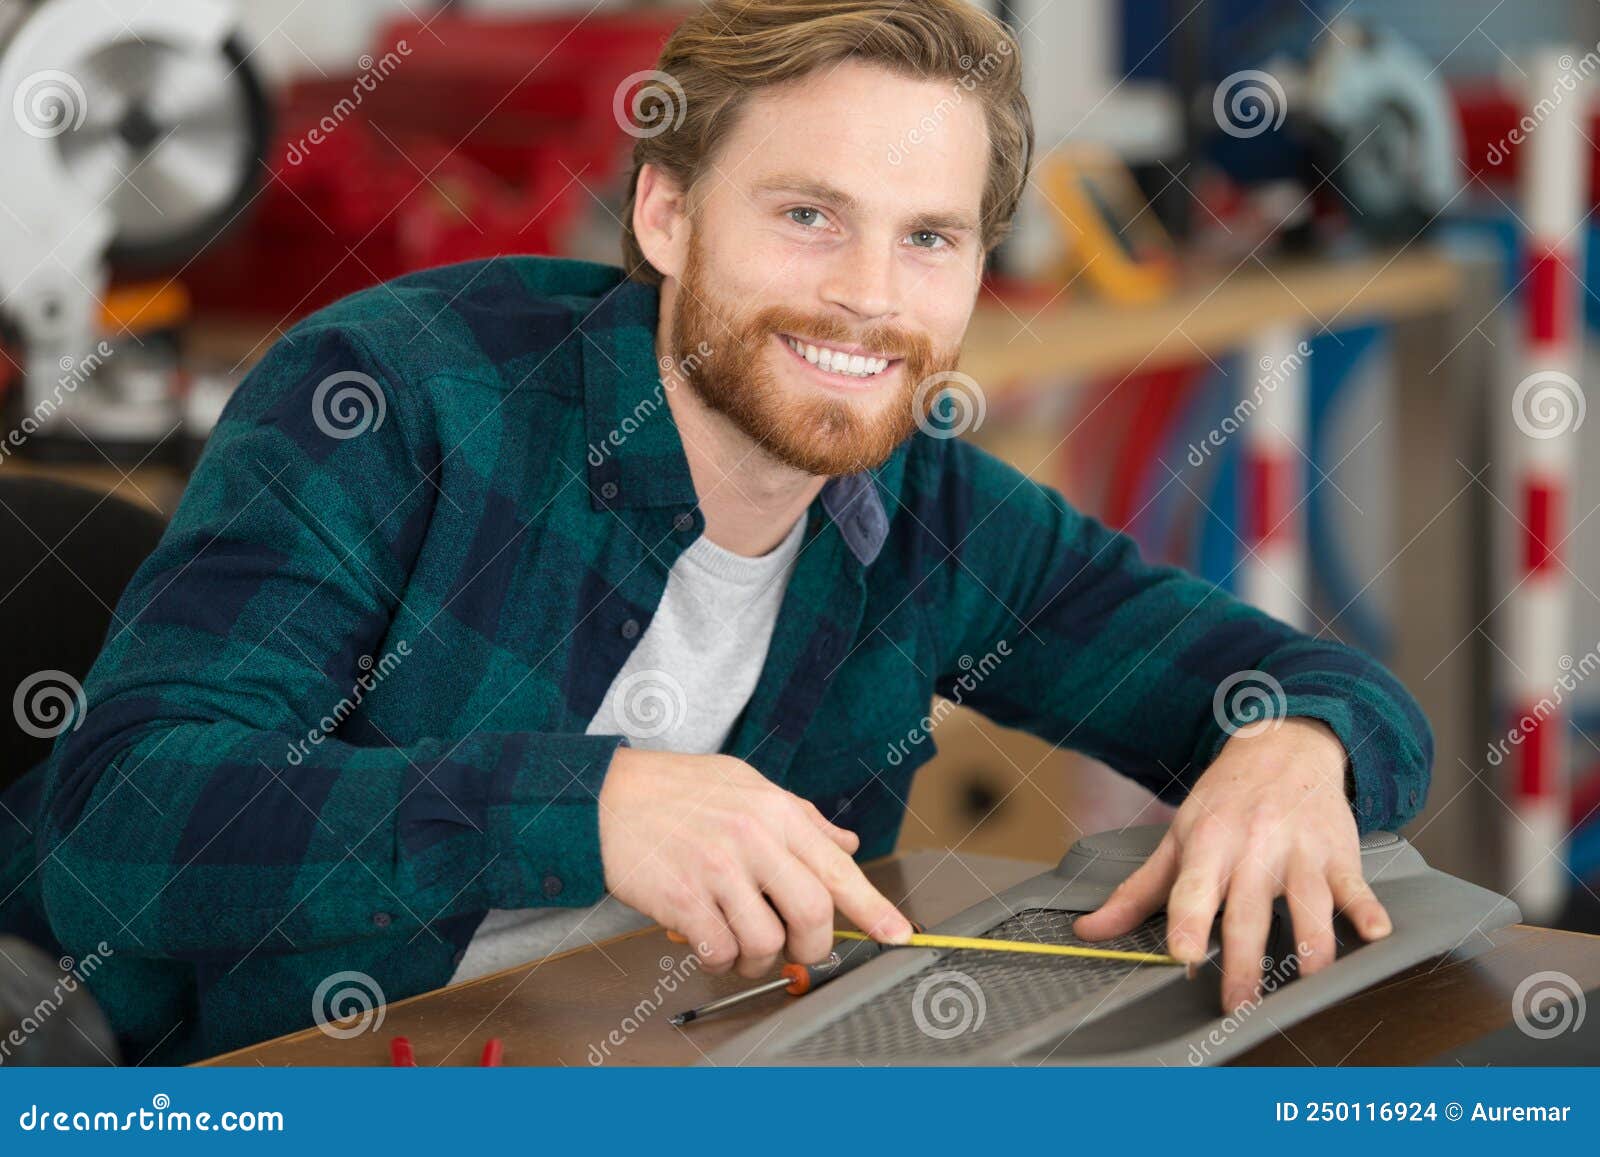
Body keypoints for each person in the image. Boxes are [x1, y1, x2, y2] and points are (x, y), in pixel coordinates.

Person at [0, 0, 1430, 1064]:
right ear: (669, 212)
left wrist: (1298, 752)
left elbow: (1330, 693)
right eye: (809, 215)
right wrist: (596, 805)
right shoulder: (389, 398)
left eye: (928, 238)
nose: (871, 297)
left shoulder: (930, 510)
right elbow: (124, 829)